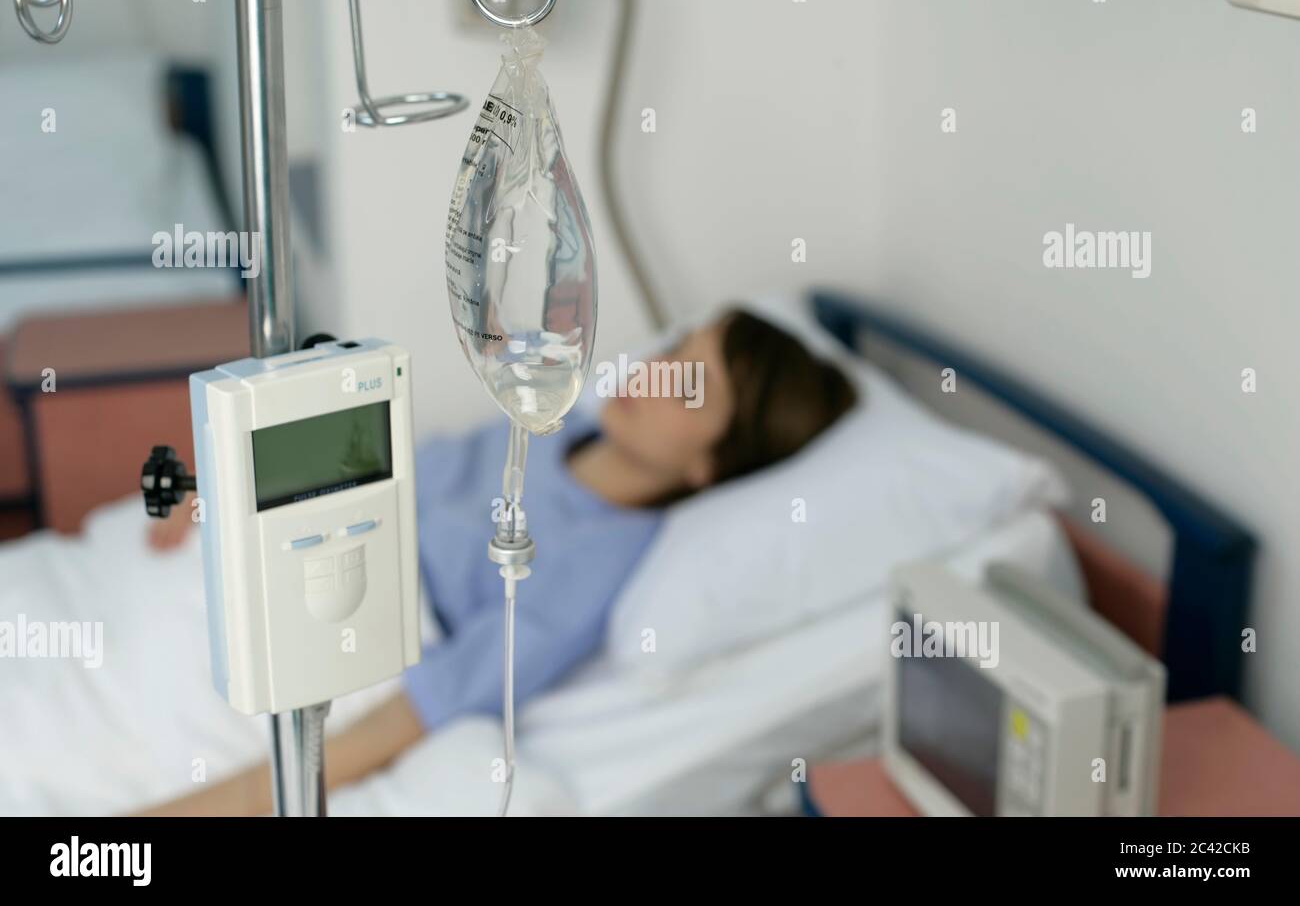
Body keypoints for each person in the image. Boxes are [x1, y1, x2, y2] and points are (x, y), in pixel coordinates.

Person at [138, 309, 857, 815]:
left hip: (359, 614)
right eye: (674, 353)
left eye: (692, 388)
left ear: (711, 466)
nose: (654, 374)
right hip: (332, 534)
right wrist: (232, 485)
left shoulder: (602, 561)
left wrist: (197, 812)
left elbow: (432, 701)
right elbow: (403, 471)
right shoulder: (550, 423)